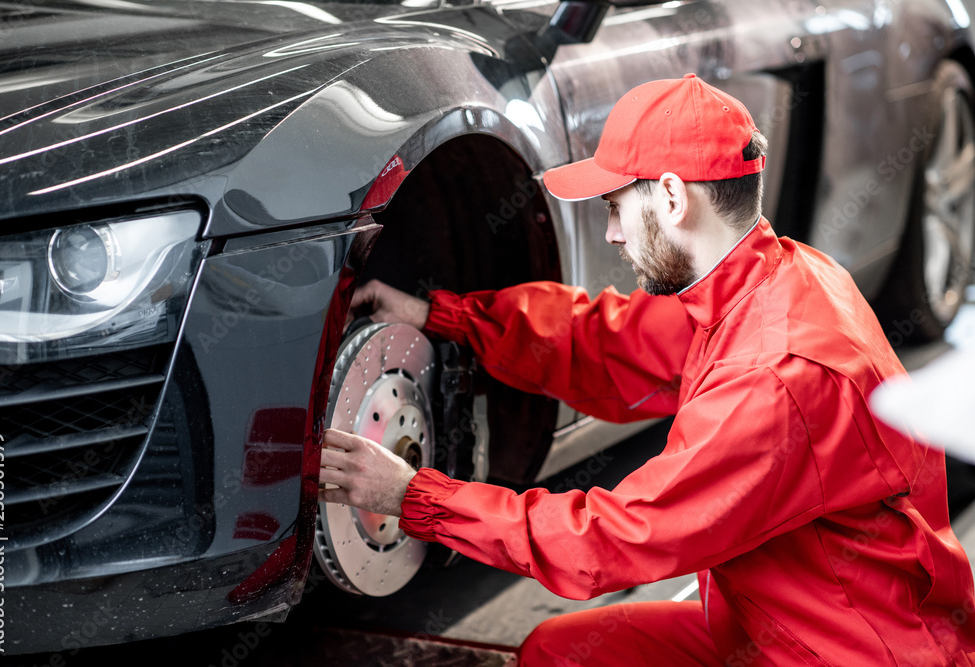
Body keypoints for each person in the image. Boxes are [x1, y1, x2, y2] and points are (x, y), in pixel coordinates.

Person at [318, 74, 975, 665]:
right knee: (559, 652)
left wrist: (416, 498)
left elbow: (608, 541)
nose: (611, 235)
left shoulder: (776, 374)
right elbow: (602, 342)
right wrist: (444, 314)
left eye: (613, 208)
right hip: (779, 622)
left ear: (669, 197)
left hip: (849, 652)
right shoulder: (769, 280)